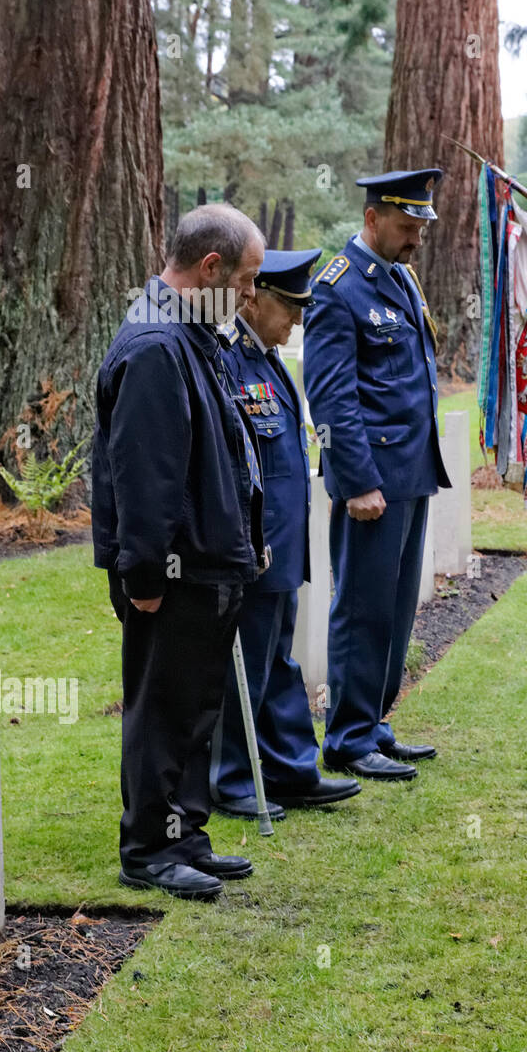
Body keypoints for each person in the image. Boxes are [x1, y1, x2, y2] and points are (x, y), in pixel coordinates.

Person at [92, 203, 268, 901]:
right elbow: (146, 474)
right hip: (173, 570)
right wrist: (143, 573)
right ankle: (149, 849)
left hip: (205, 561)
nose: (254, 295)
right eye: (249, 280)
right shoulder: (158, 346)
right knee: (163, 710)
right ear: (212, 268)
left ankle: (184, 834)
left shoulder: (191, 334)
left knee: (195, 708)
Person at [302, 169, 450, 782]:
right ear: (372, 220)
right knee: (362, 607)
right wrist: (358, 480)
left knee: (395, 608)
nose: (416, 238)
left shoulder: (400, 278)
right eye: (407, 226)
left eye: (421, 227)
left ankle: (375, 720)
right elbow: (331, 397)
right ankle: (347, 736)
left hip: (411, 472)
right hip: (373, 482)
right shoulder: (337, 290)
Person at [211, 248, 362, 817]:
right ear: (257, 298)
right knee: (243, 664)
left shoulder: (268, 359)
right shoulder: (227, 361)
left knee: (278, 660)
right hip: (253, 543)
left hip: (282, 543)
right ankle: (232, 780)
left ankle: (290, 769)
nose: (297, 321)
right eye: (290, 308)